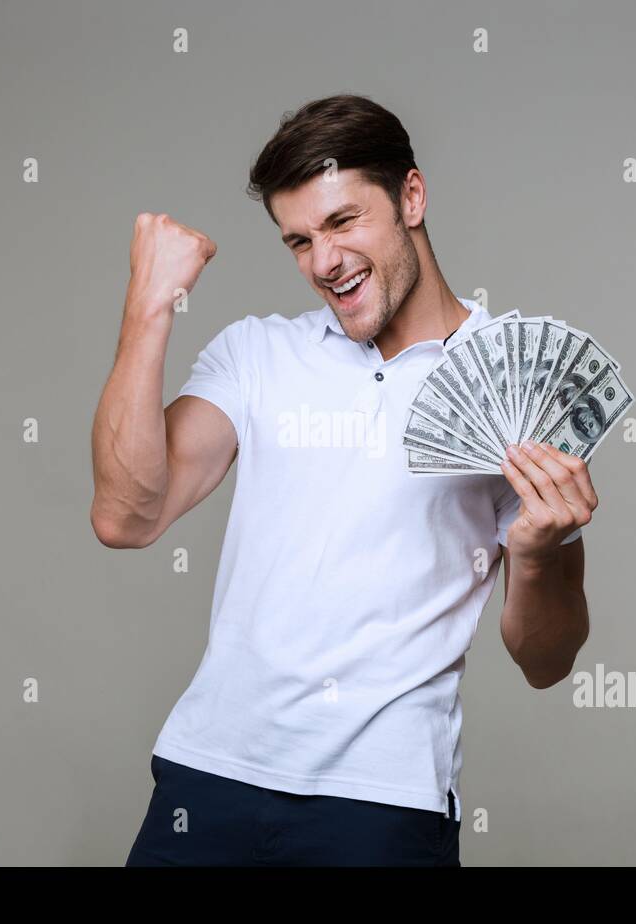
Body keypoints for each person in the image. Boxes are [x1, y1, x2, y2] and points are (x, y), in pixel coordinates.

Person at [90, 93, 598, 866]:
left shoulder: (516, 384)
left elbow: (546, 660)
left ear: (412, 199)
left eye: (342, 223)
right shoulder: (256, 356)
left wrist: (537, 552)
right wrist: (148, 304)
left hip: (379, 804)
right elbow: (126, 517)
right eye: (298, 240)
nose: (323, 262)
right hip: (209, 777)